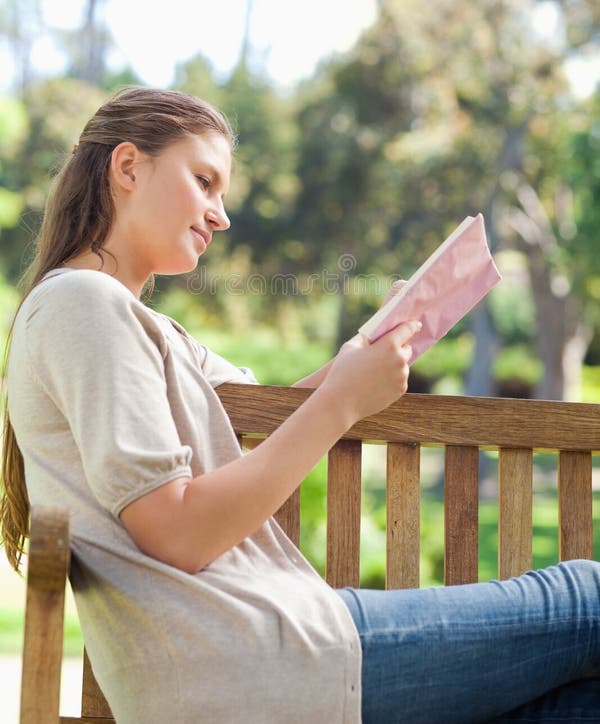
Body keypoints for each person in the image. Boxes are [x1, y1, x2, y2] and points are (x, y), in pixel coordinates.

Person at [1, 86, 599, 724]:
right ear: (127, 167)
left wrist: (370, 351)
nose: (221, 214)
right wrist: (343, 401)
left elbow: (278, 407)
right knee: (589, 598)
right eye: (205, 181)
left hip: (248, 655)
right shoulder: (83, 307)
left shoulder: (143, 329)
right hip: (244, 659)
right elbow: (177, 533)